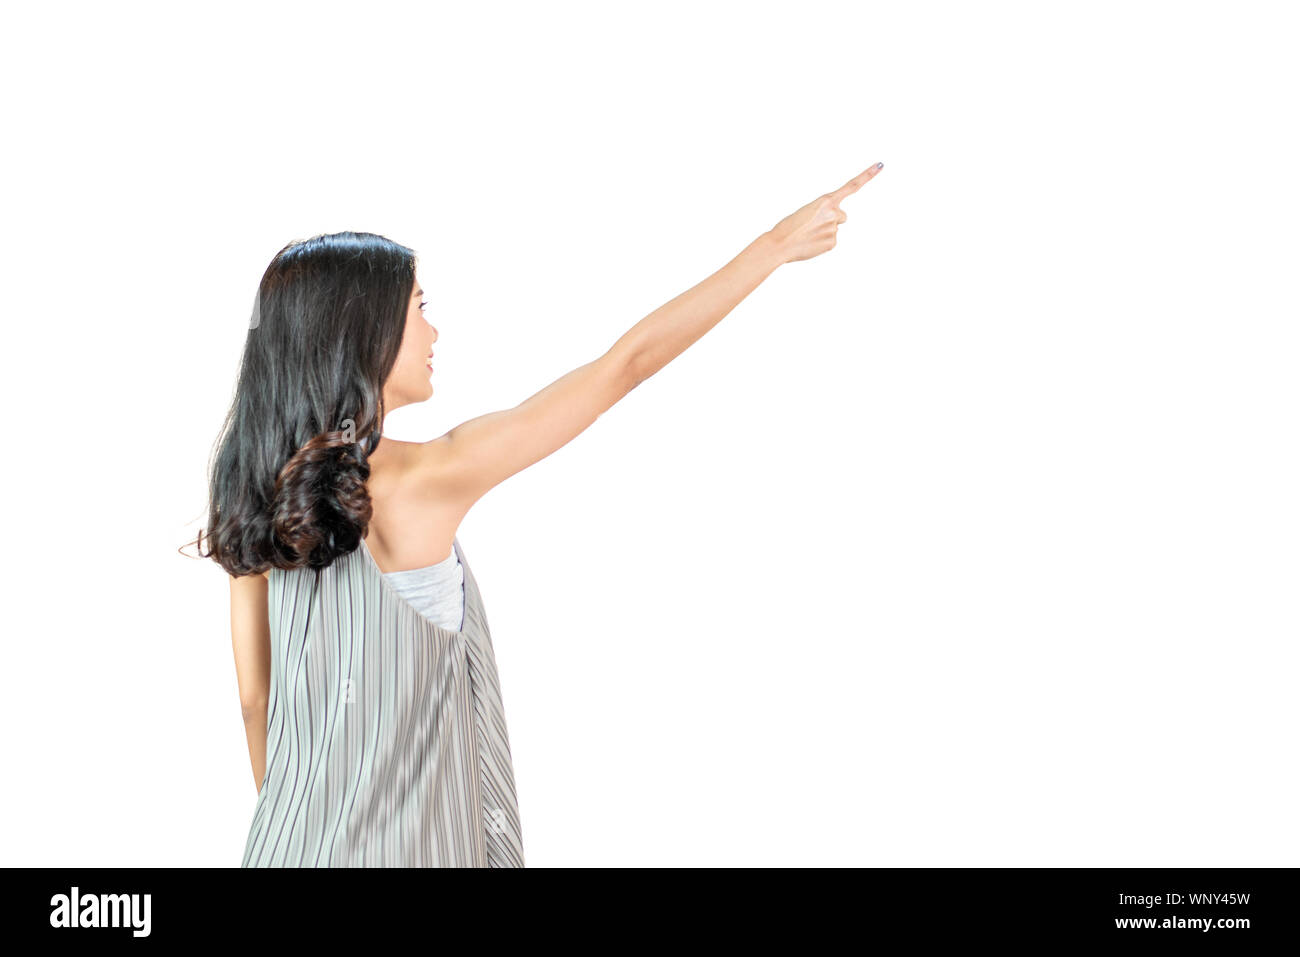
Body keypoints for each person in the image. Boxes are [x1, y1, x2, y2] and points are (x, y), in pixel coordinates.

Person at [192, 161, 884, 867]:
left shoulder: (252, 491)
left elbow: (256, 699)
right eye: (420, 307)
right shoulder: (436, 474)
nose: (434, 331)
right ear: (364, 333)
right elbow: (626, 364)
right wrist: (772, 247)